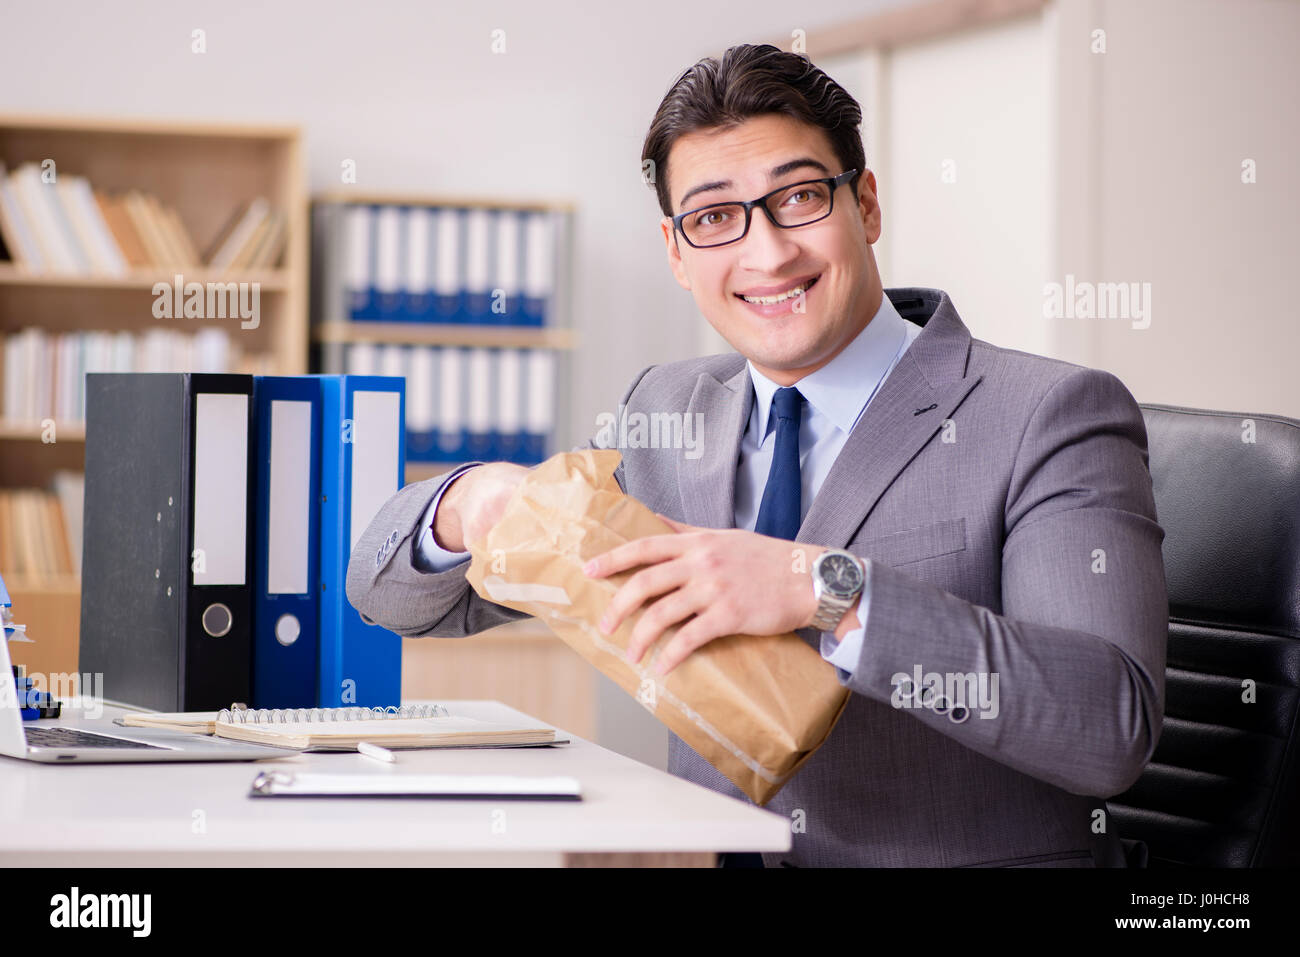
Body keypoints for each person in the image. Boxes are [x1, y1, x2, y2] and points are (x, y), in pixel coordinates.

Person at [346, 43, 1167, 867]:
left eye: (800, 197)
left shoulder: (1045, 412)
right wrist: (468, 505)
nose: (768, 253)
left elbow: (1108, 728)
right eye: (713, 218)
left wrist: (823, 588)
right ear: (676, 251)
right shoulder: (666, 411)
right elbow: (390, 598)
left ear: (867, 206)